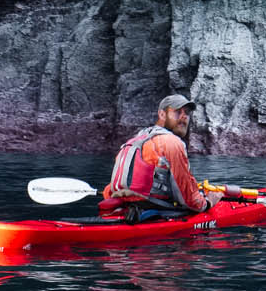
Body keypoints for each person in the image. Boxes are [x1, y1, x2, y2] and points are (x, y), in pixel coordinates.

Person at [100, 94, 240, 221]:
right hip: (154, 210)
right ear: (162, 114)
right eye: (178, 112)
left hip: (127, 207)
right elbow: (189, 199)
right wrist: (208, 202)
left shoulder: (133, 141)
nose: (184, 117)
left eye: (187, 113)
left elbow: (111, 190)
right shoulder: (171, 142)